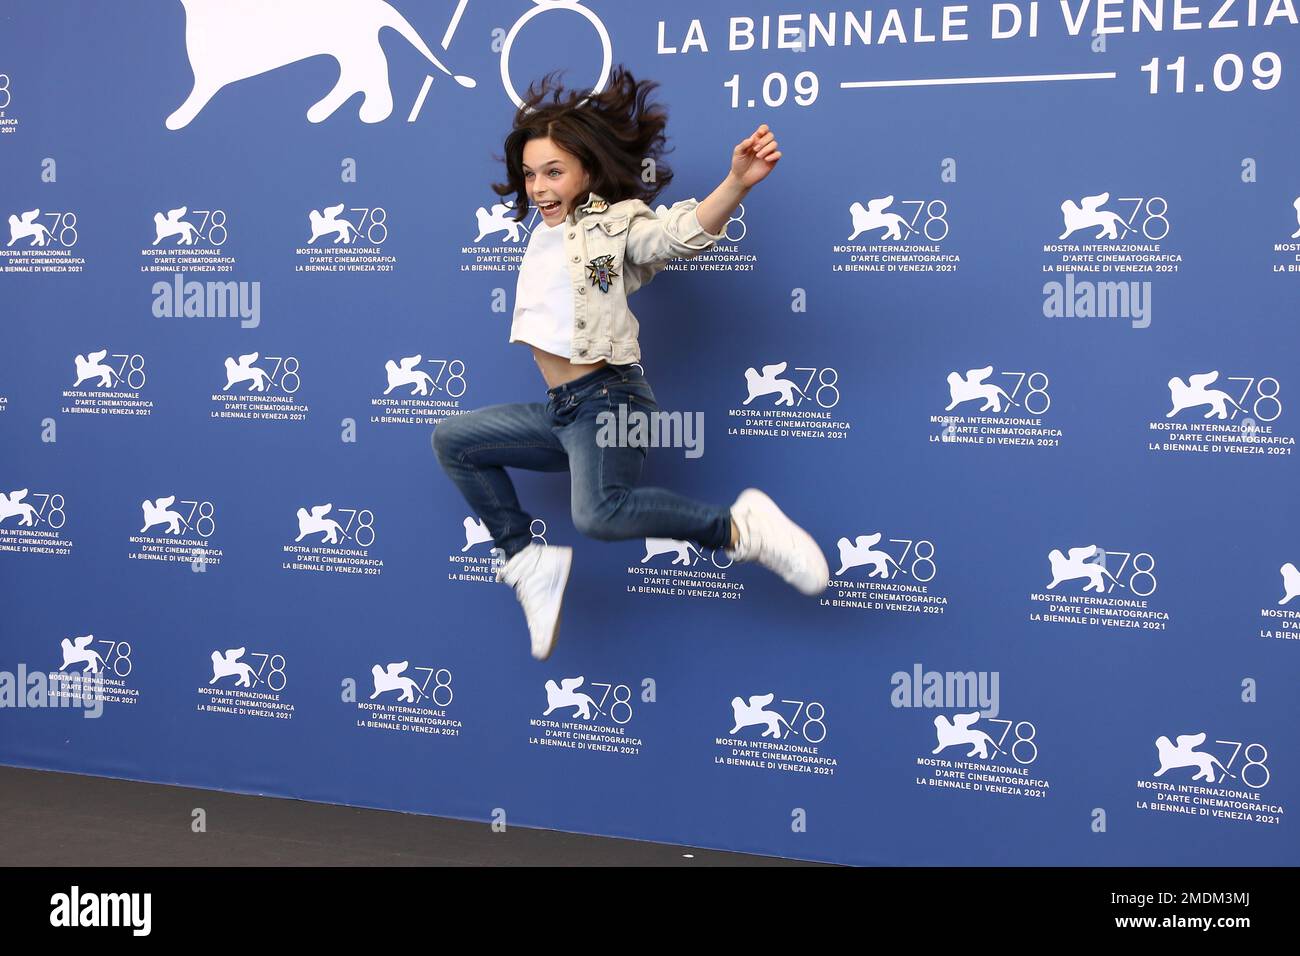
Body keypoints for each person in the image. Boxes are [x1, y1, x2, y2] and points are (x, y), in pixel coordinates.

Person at [433, 66, 828, 660]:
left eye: (554, 172)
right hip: (566, 411)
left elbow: (670, 237)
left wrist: (736, 184)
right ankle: (526, 559)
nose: (539, 187)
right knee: (455, 440)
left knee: (599, 514)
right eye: (531, 174)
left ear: (586, 171)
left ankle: (742, 527)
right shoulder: (543, 233)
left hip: (611, 400)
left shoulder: (611, 228)